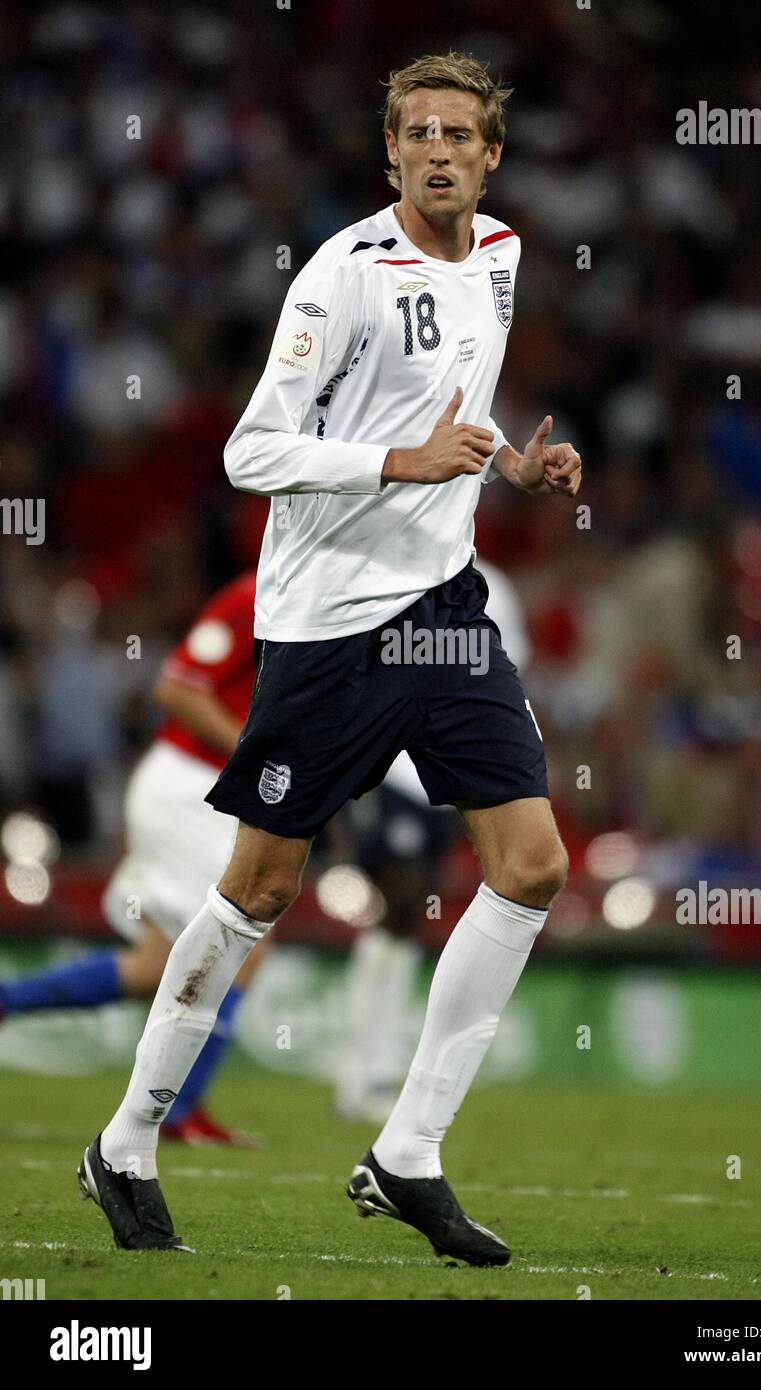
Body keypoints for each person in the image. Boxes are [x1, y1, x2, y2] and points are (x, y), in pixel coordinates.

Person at [78, 50, 581, 1265]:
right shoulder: (340, 277)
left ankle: (407, 1149)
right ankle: (128, 1141)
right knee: (258, 889)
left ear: (491, 153)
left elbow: (452, 399)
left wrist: (509, 465)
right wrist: (393, 464)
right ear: (391, 153)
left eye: (462, 133)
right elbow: (252, 452)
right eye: (419, 133)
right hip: (326, 625)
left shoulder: (505, 258)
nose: (441, 150)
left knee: (531, 866)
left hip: (442, 607)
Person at [1, 571, 267, 1146]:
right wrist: (256, 753)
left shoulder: (339, 607)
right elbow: (175, 690)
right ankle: (179, 1110)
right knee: (243, 944)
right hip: (191, 785)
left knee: (155, 965)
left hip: (212, 792)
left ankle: (6, 1002)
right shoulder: (258, 593)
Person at [334, 556, 531, 1124]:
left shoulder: (497, 585)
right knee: (396, 908)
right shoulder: (392, 568)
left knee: (407, 919)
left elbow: (507, 670)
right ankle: (363, 1069)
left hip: (448, 778)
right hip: (393, 768)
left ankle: (372, 1066)